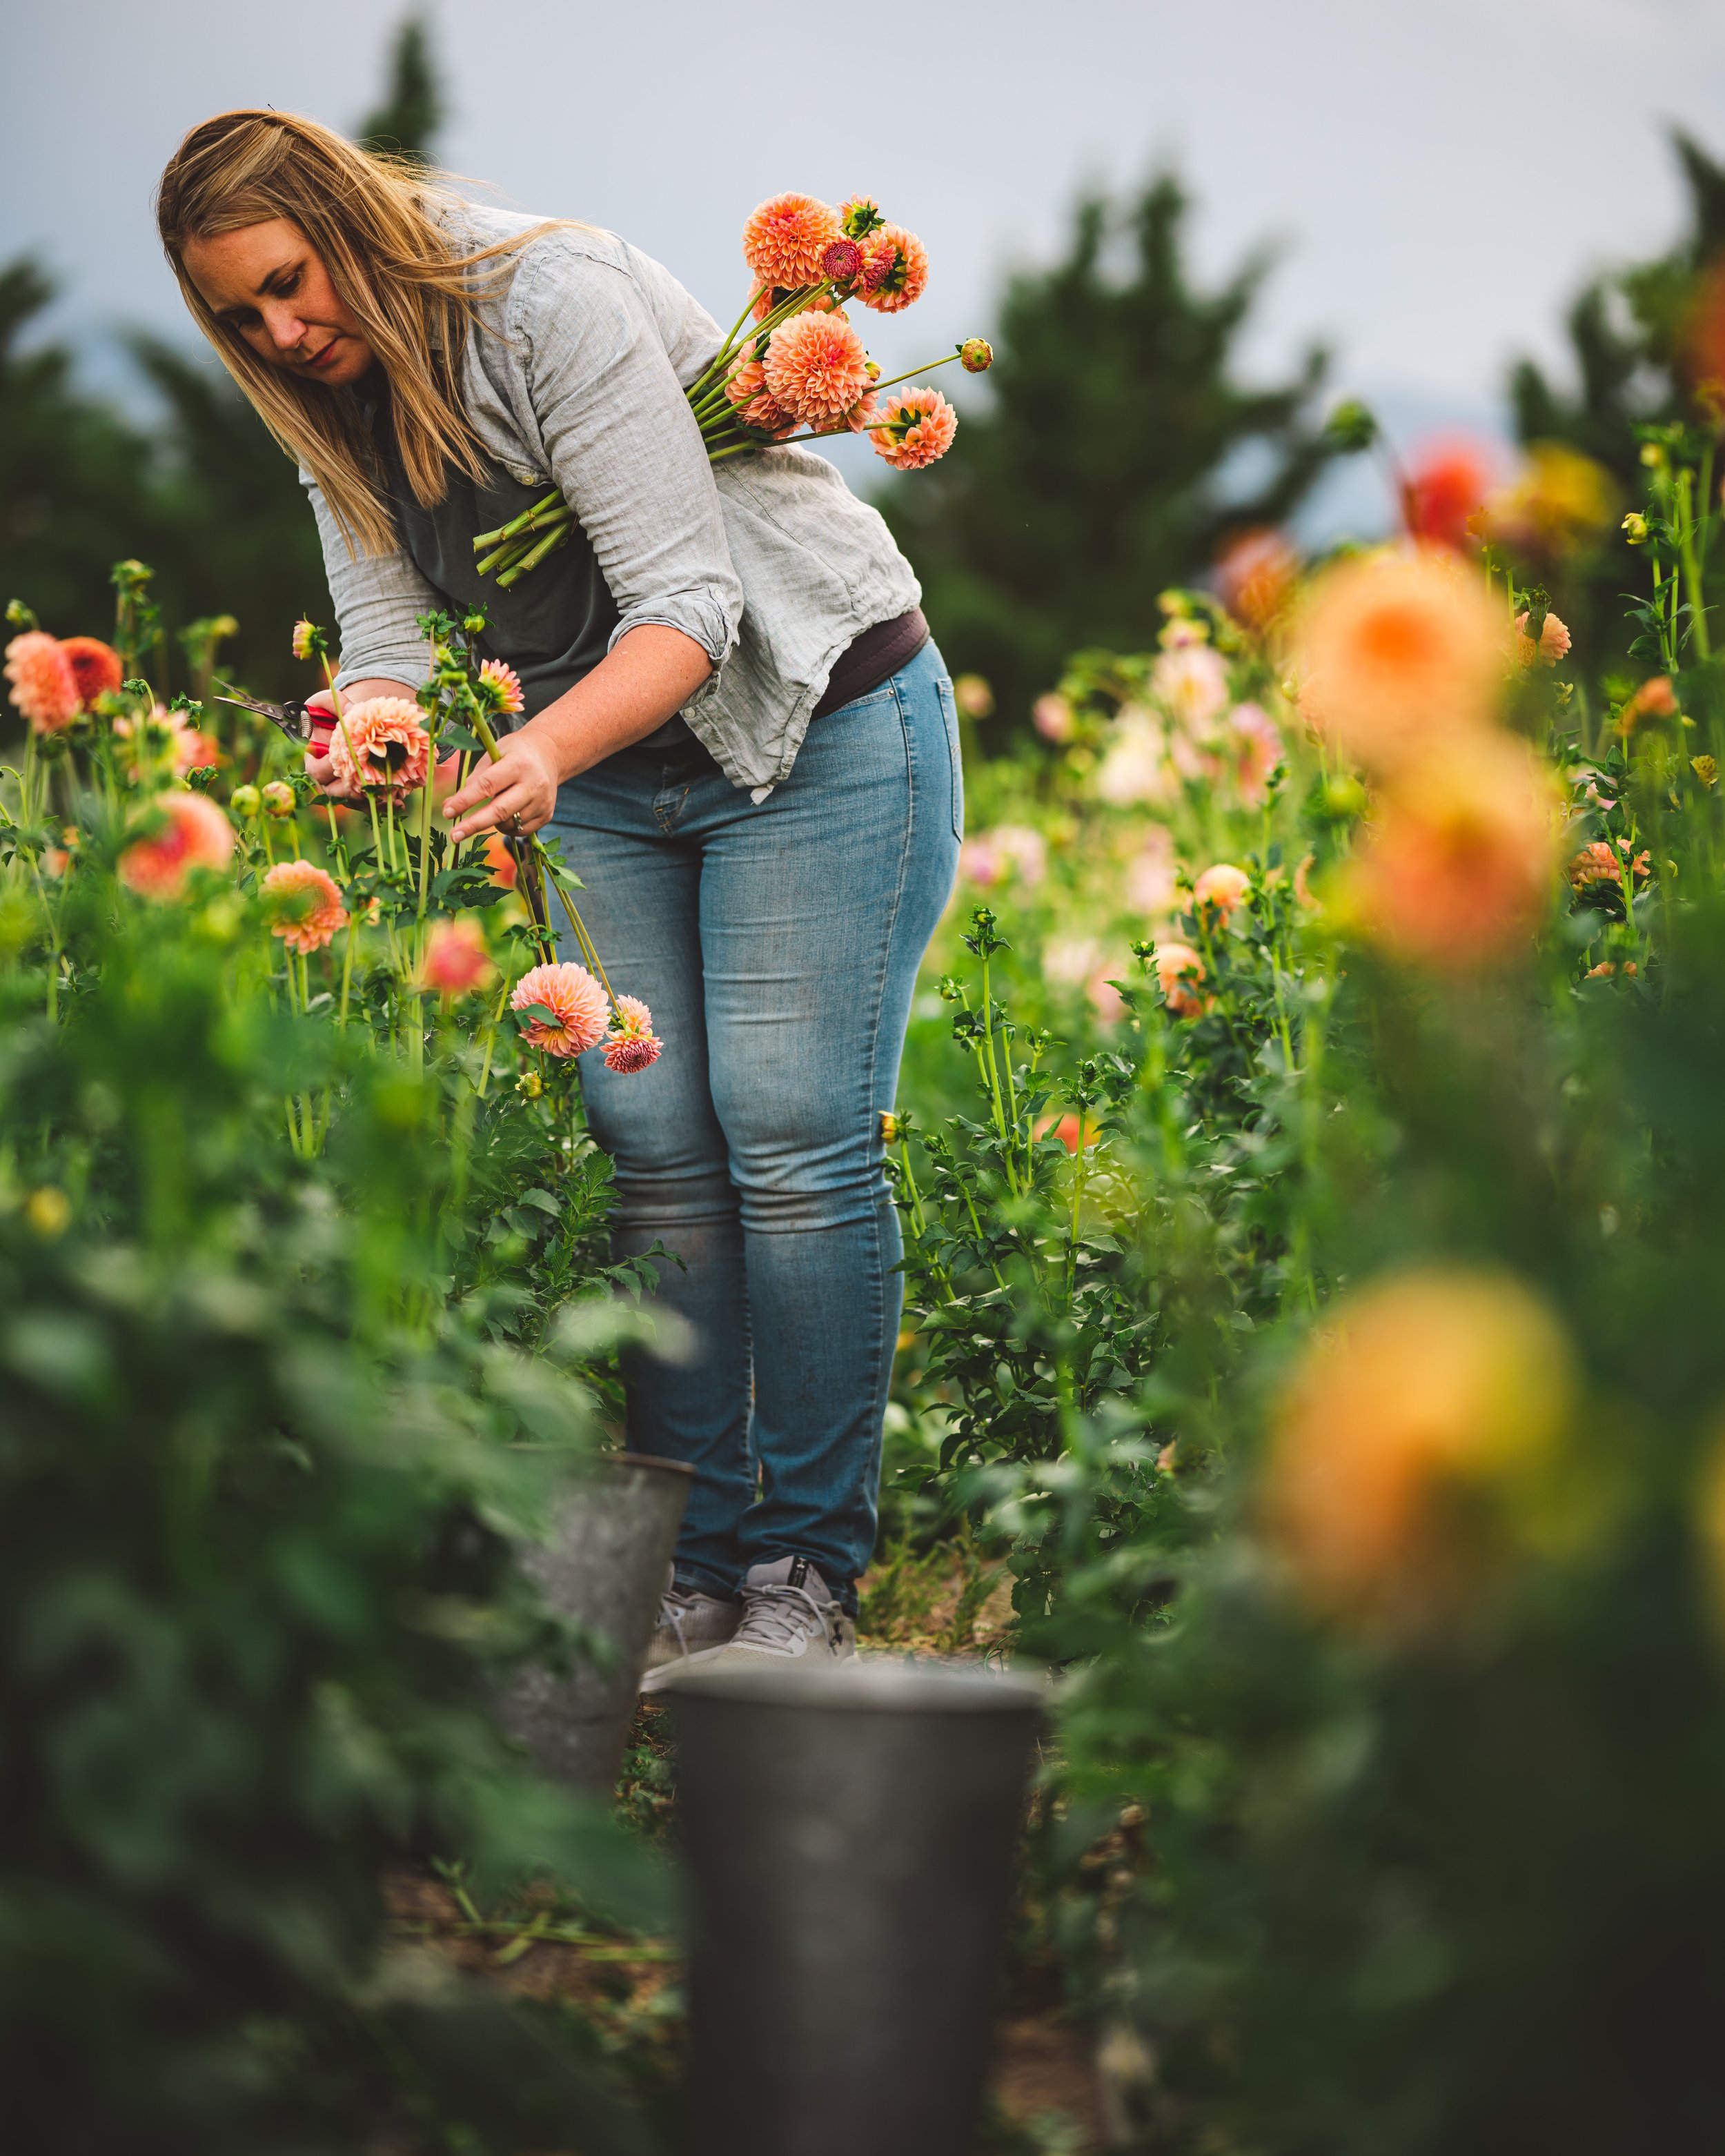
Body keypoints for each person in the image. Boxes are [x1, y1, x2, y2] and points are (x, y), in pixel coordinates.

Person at [157, 112, 960, 1680]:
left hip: (809, 719)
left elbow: (689, 606)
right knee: (651, 1148)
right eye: (240, 316)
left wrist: (530, 749)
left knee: (792, 1140)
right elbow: (388, 633)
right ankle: (689, 1564)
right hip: (596, 754)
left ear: (349, 223)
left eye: (289, 283)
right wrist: (375, 729)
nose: (281, 333)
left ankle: (803, 1569)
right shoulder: (324, 400)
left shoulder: (548, 301)